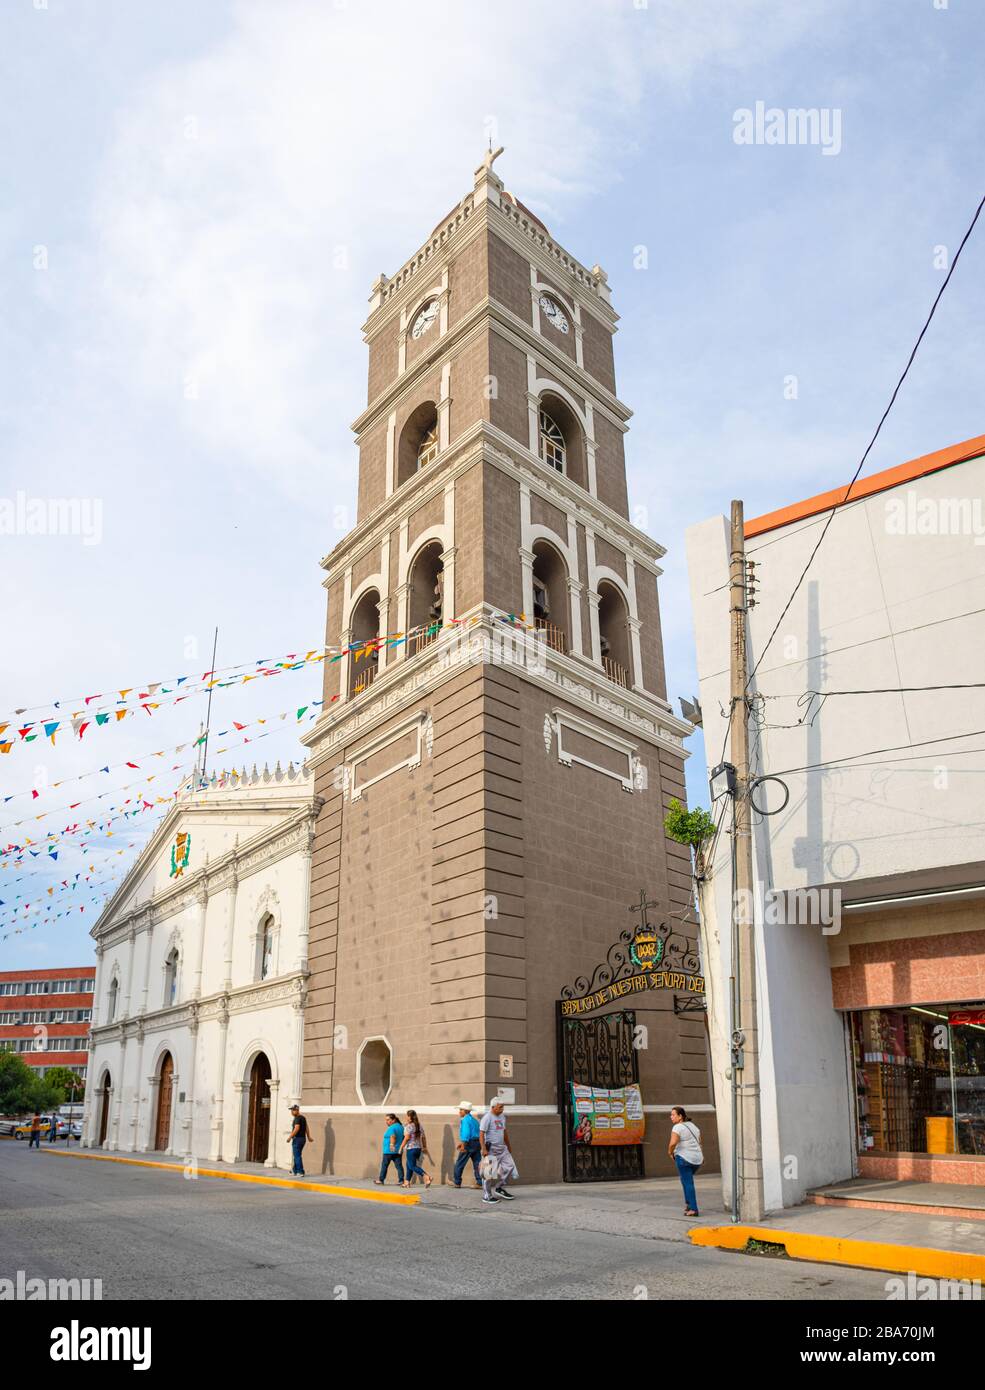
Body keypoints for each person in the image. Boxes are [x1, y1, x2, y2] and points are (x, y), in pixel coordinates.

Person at [478, 1097, 517, 1204]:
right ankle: (487, 1195)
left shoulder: (502, 1117)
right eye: (500, 1107)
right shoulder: (487, 1118)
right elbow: (481, 1134)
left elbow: (504, 1132)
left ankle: (499, 1187)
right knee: (489, 1173)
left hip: (502, 1149)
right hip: (491, 1149)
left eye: (503, 1107)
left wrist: (508, 1145)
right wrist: (483, 1149)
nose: (502, 1109)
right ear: (493, 1107)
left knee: (510, 1167)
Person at [668, 1104, 703, 1217]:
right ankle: (688, 1205)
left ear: (680, 1116)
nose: (671, 1117)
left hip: (684, 1158)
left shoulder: (677, 1127)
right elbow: (700, 1141)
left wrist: (670, 1152)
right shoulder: (693, 1126)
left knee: (688, 1182)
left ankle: (693, 1209)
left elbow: (673, 1143)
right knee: (685, 1180)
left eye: (673, 1115)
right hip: (697, 1160)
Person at [453, 1100, 481, 1189]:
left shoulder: (465, 1120)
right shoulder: (474, 1120)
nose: (459, 1112)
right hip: (477, 1143)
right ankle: (480, 1182)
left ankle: (457, 1182)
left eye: (461, 1110)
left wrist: (463, 1145)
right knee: (477, 1163)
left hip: (469, 1143)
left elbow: (466, 1133)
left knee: (460, 1163)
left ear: (467, 1111)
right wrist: (461, 1143)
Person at [400, 1109, 432, 1188]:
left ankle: (426, 1176)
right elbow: (423, 1137)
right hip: (418, 1148)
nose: (406, 1117)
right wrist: (424, 1147)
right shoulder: (418, 1125)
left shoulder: (409, 1126)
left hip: (411, 1149)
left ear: (410, 1117)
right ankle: (407, 1182)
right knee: (409, 1165)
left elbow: (407, 1137)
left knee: (412, 1166)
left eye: (407, 1116)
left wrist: (401, 1147)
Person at [375, 1113, 405, 1185]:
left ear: (393, 1120)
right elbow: (404, 1137)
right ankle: (401, 1180)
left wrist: (391, 1145)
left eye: (388, 1120)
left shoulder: (392, 1127)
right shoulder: (401, 1127)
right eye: (386, 1120)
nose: (386, 1121)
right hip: (398, 1151)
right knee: (399, 1166)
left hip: (389, 1151)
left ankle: (381, 1180)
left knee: (384, 1165)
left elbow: (393, 1136)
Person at [287, 1104, 311, 1177]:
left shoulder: (297, 1118)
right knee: (297, 1155)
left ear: (296, 1110)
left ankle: (300, 1172)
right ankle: (294, 1170)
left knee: (297, 1156)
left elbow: (296, 1128)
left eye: (292, 1110)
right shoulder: (303, 1118)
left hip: (297, 1139)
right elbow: (307, 1128)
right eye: (291, 1110)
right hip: (303, 1139)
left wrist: (290, 1137)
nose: (291, 1112)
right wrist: (309, 1137)